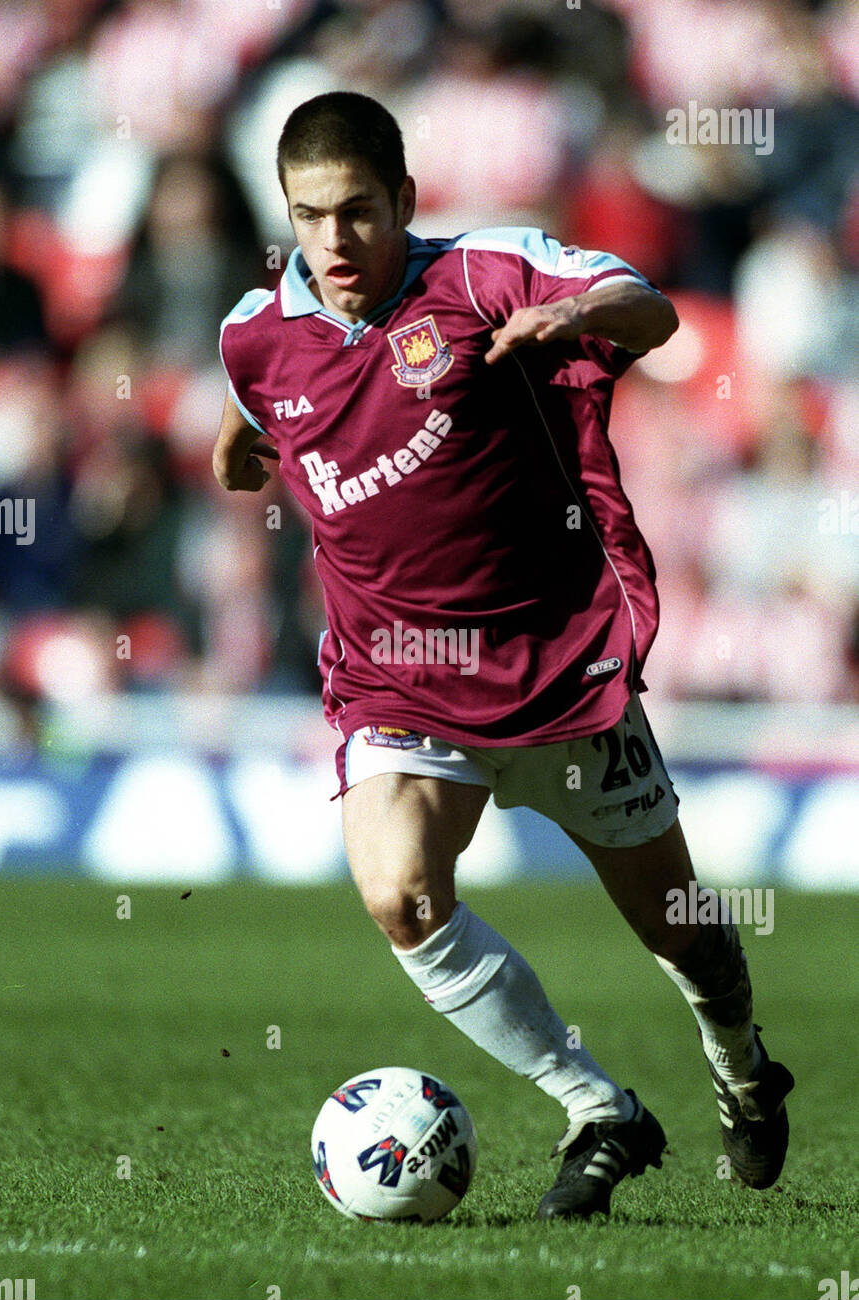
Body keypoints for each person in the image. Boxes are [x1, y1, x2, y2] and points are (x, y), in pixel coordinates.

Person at [212, 91, 793, 1219]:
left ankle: (738, 1064)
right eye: (309, 215)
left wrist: (569, 323)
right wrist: (242, 460)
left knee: (679, 930)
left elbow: (648, 308)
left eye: (358, 212)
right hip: (395, 684)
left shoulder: (481, 272)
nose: (334, 242)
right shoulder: (256, 330)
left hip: (553, 666)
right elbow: (245, 413)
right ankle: (597, 1108)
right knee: (397, 892)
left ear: (405, 203)